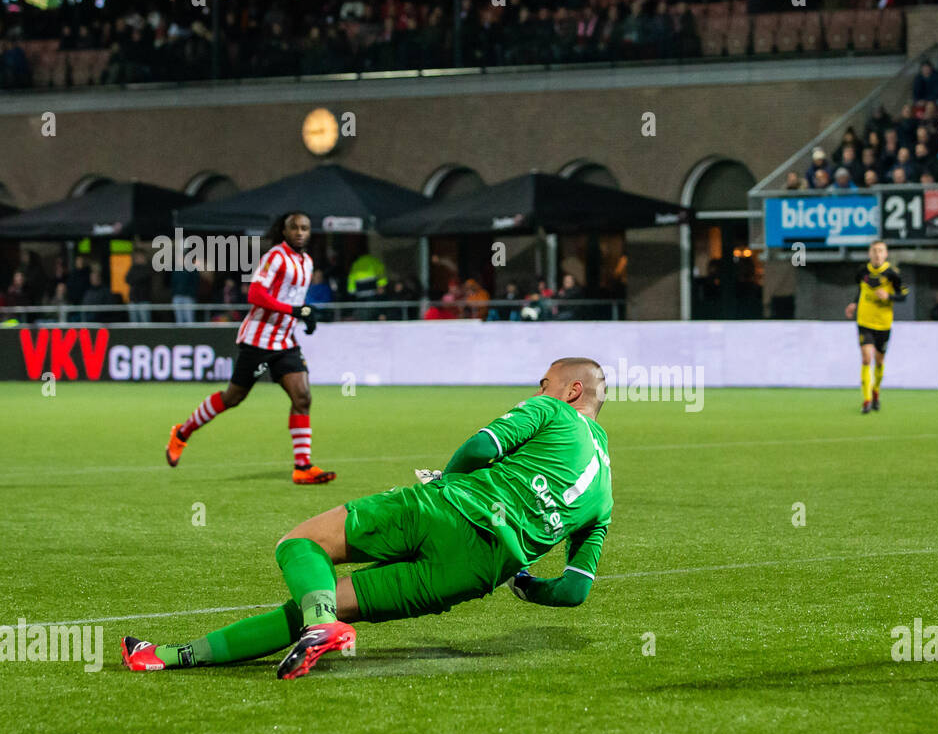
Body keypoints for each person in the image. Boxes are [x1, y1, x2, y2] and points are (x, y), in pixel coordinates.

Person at [124, 358, 614, 680]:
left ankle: (316, 626)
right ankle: (170, 656)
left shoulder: (554, 410)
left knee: (300, 544)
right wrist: (524, 583)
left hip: (450, 510)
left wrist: (449, 482)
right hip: (477, 572)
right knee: (321, 606)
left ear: (571, 390)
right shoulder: (606, 495)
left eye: (545, 381)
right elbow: (574, 591)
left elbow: (482, 447)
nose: (540, 387)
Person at [165, 212, 335, 485]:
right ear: (284, 231)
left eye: (305, 228)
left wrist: (306, 317)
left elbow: (294, 299)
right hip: (258, 339)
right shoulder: (275, 257)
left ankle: (302, 467)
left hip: (285, 341)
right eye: (295, 228)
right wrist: (294, 310)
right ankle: (182, 433)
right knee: (233, 397)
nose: (300, 232)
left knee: (302, 397)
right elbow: (255, 294)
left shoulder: (307, 261)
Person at [845, 240, 908, 414]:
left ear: (886, 254)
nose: (877, 254)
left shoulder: (892, 274)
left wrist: (888, 296)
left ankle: (876, 391)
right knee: (866, 358)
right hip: (864, 322)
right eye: (874, 251)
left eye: (881, 251)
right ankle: (866, 400)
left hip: (883, 324)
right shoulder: (862, 272)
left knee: (879, 361)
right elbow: (861, 290)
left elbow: (903, 295)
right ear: (869, 253)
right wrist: (854, 303)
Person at [125, 247, 154, 322]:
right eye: (137, 257)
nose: (138, 258)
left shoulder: (148, 267)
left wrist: (135, 278)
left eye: (140, 256)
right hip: (133, 299)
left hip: (144, 299)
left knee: (145, 323)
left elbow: (144, 277)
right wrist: (136, 278)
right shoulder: (133, 267)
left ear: (144, 257)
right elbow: (127, 279)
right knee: (134, 323)